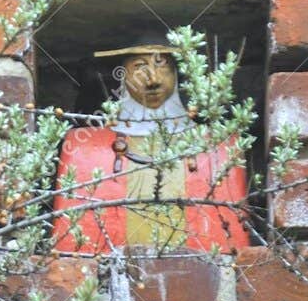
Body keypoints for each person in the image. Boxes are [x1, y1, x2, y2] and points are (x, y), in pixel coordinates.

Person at [50, 44, 249, 255]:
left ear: (177, 74)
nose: (153, 80)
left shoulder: (220, 146)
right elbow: (72, 246)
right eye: (140, 67)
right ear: (123, 77)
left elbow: (233, 242)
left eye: (162, 66)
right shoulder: (85, 148)